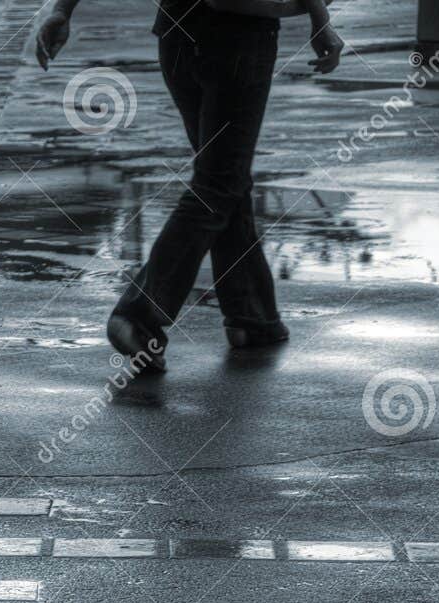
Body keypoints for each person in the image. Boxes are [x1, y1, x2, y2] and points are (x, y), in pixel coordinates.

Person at [36, 0, 345, 373]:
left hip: (177, 34)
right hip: (239, 37)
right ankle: (139, 314)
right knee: (219, 181)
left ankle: (252, 316)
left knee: (226, 175)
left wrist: (62, 10)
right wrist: (320, 18)